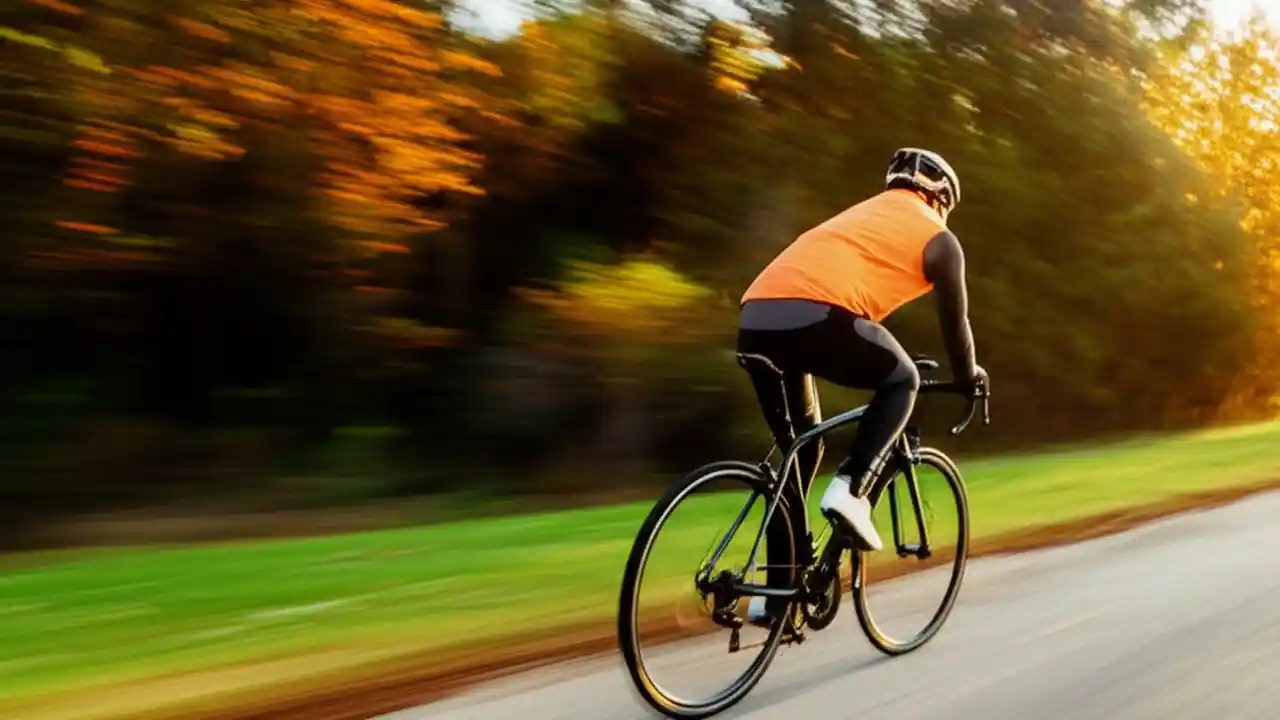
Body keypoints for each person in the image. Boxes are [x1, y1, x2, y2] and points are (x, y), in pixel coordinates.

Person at [736, 148, 985, 621]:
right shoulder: (940, 239)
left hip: (756, 321)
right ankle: (851, 489)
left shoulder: (862, 216)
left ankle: (775, 592)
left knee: (800, 452)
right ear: (942, 198)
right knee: (902, 378)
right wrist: (968, 376)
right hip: (815, 316)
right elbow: (957, 327)